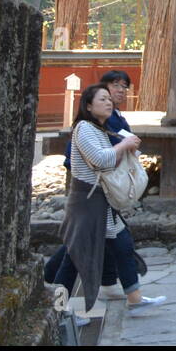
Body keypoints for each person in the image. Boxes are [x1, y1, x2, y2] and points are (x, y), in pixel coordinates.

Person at [53, 85, 165, 324]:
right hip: (86, 203)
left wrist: (127, 149)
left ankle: (134, 299)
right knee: (74, 258)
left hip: (100, 202)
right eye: (102, 99)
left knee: (123, 245)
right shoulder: (83, 129)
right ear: (89, 106)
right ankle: (59, 310)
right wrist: (124, 146)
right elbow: (101, 161)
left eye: (108, 99)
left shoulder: (99, 129)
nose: (108, 102)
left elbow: (110, 161)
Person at [45, 70, 135, 287]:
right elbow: (102, 158)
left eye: (125, 86)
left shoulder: (112, 118)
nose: (120, 91)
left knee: (109, 242)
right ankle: (58, 298)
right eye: (115, 86)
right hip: (89, 191)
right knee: (79, 251)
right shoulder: (88, 125)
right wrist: (125, 145)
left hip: (99, 191)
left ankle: (118, 289)